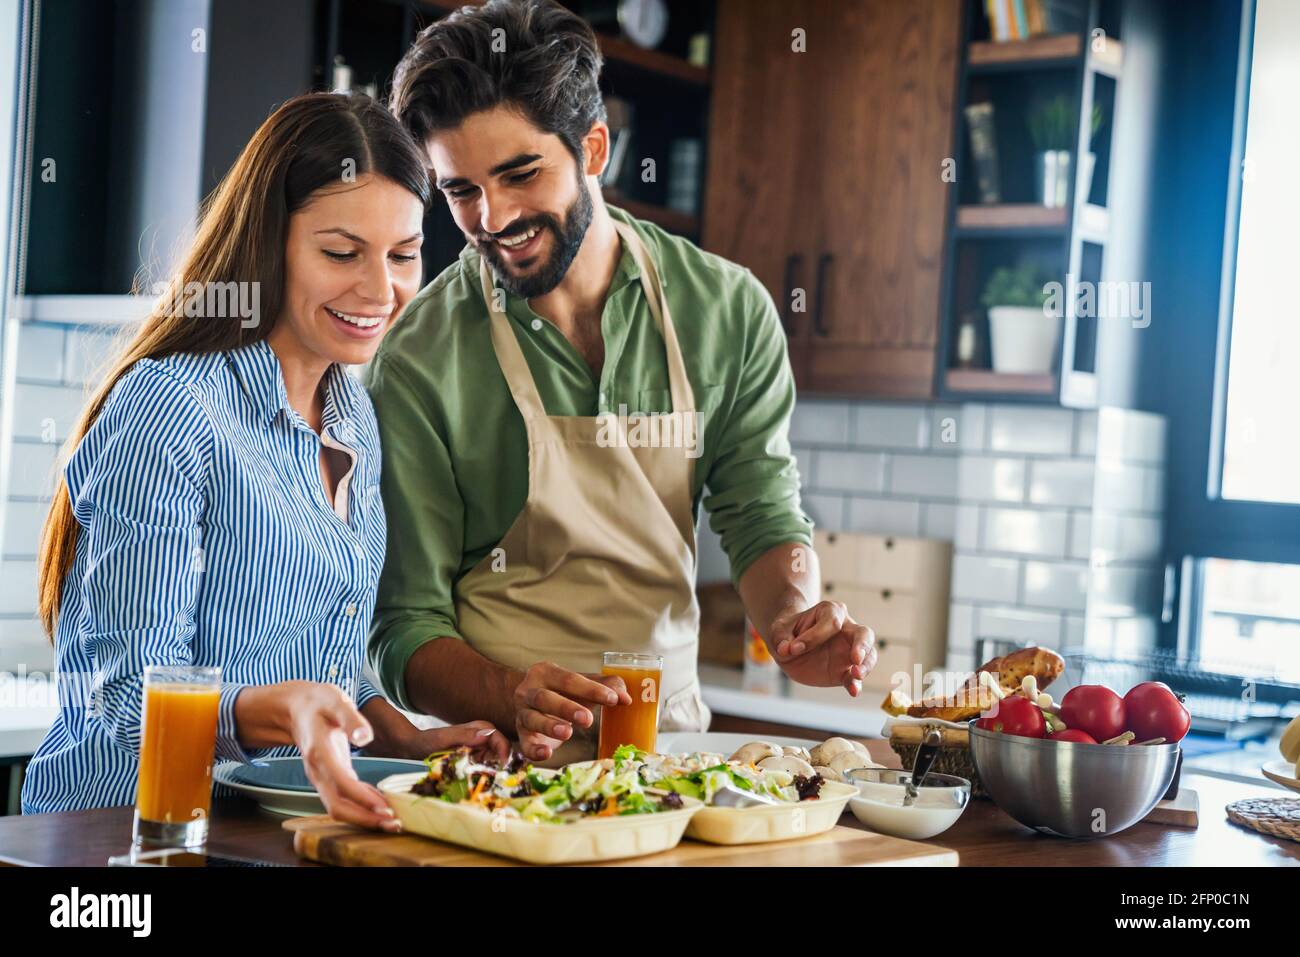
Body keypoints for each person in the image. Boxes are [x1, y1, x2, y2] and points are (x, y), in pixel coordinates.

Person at [367, 0, 877, 765]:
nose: (493, 216)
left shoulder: (726, 310)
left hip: (669, 764)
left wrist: (795, 623)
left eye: (520, 173)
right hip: (495, 778)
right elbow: (404, 626)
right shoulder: (417, 356)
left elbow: (761, 514)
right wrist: (509, 693)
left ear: (595, 147)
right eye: (461, 190)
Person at [22, 93, 508, 828]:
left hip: (266, 833)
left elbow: (327, 662)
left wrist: (409, 735)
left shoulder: (353, 417)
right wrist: (282, 711)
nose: (381, 289)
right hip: (121, 839)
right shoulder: (172, 407)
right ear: (267, 242)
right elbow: (121, 696)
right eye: (341, 253)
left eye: (403, 254)